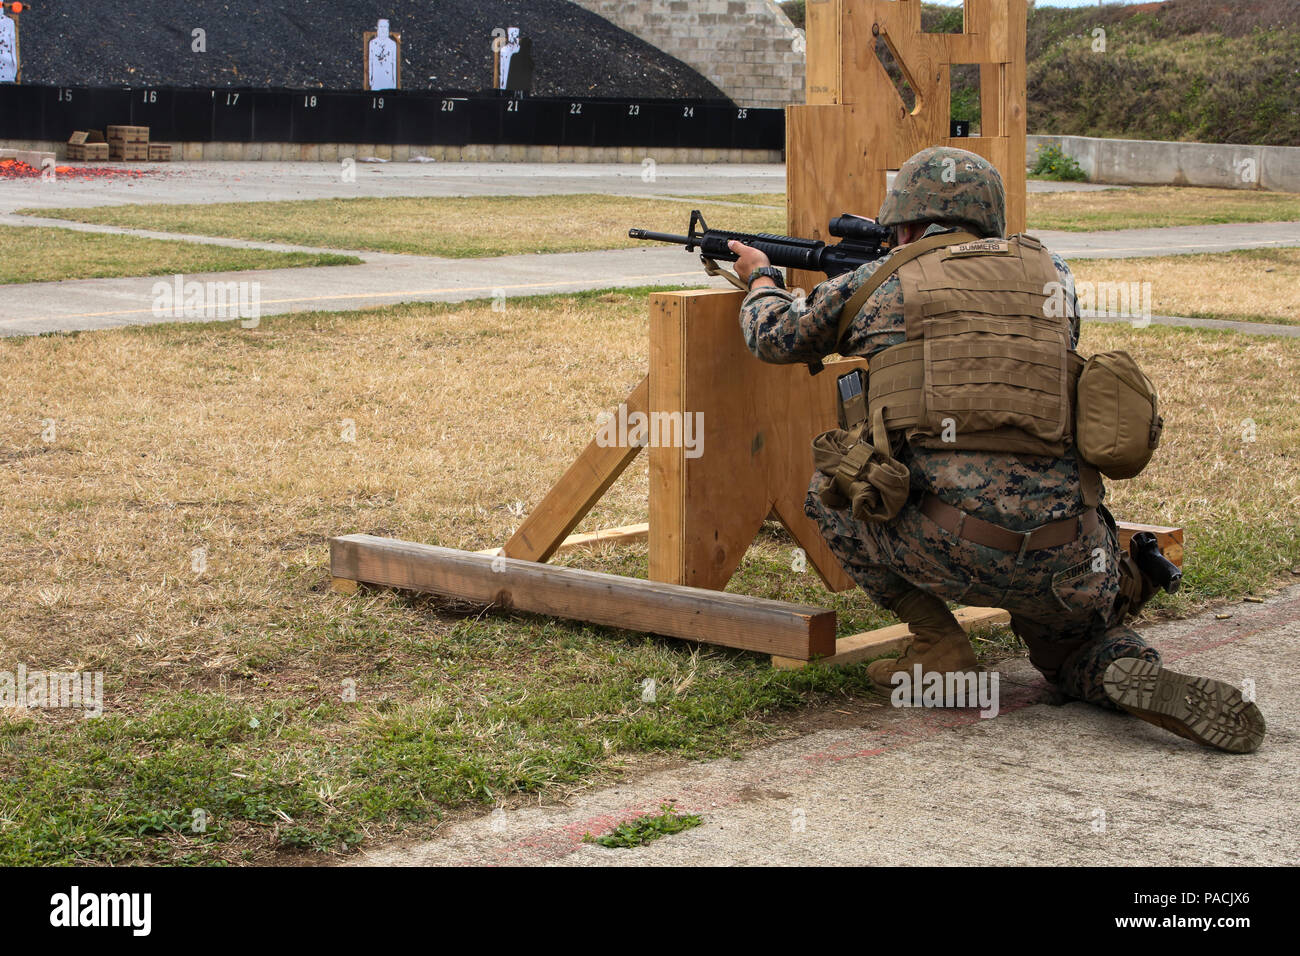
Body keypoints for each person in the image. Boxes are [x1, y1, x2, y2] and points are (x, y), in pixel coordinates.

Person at [726, 146, 1265, 753]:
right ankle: (1114, 667)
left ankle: (938, 645)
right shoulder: (1052, 275)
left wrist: (760, 276)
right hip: (1069, 553)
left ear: (904, 221)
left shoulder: (882, 282)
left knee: (830, 495)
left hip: (941, 544)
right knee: (1074, 643)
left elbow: (774, 337)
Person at [368, 19, 398, 91]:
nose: (383, 29)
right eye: (381, 26)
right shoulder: (372, 43)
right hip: (376, 78)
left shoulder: (392, 44)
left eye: (385, 27)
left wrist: (394, 81)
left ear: (388, 28)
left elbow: (394, 63)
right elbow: (370, 62)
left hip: (388, 78)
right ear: (377, 28)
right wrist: (370, 78)